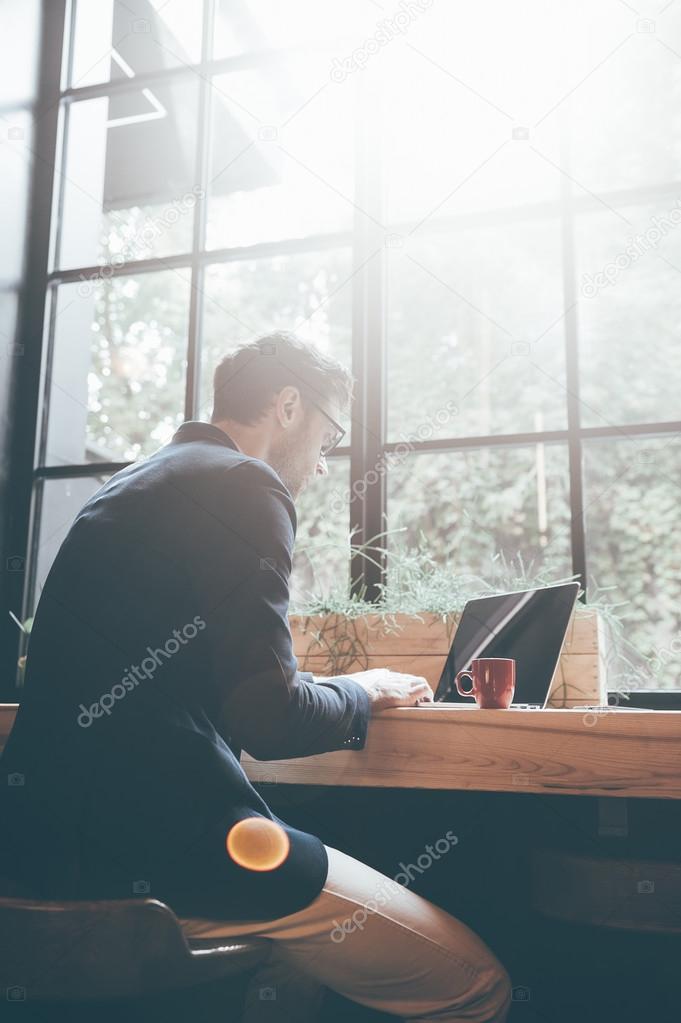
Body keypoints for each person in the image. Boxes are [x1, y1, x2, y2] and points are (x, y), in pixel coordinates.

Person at [0, 332, 511, 1021]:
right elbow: (265, 718)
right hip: (167, 843)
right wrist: (361, 689)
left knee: (290, 978)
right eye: (329, 440)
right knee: (476, 982)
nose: (326, 467)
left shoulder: (135, 482)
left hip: (39, 847)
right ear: (289, 405)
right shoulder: (244, 483)